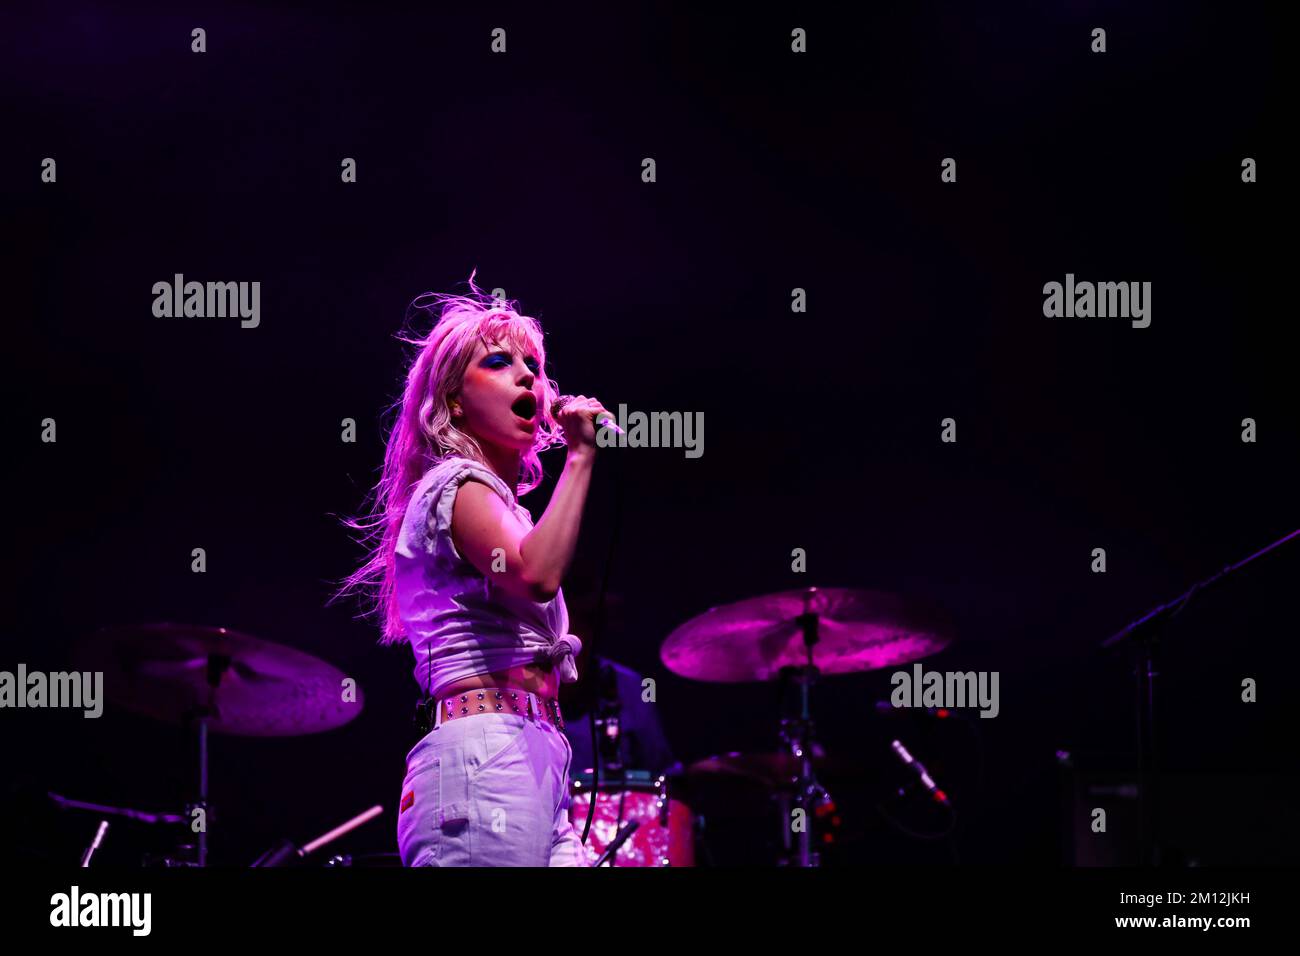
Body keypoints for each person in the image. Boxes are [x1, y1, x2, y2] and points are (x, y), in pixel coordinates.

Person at [332, 273, 610, 866]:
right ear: (454, 398)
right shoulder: (454, 486)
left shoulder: (505, 510)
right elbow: (538, 574)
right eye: (501, 362)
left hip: (536, 758)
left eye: (534, 365)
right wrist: (582, 457)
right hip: (482, 760)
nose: (529, 376)